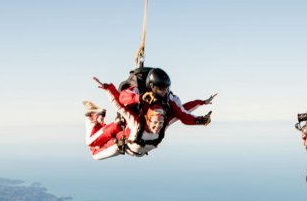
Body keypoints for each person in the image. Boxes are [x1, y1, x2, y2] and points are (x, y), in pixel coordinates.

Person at [83, 67, 215, 160]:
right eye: (161, 88)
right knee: (91, 145)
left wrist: (200, 115)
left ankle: (98, 117)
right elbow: (121, 101)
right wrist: (111, 89)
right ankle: (95, 116)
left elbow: (182, 114)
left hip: (129, 145)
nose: (164, 91)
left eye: (166, 87)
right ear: (151, 85)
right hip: (122, 129)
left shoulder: (169, 101)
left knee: (95, 152)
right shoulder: (138, 96)